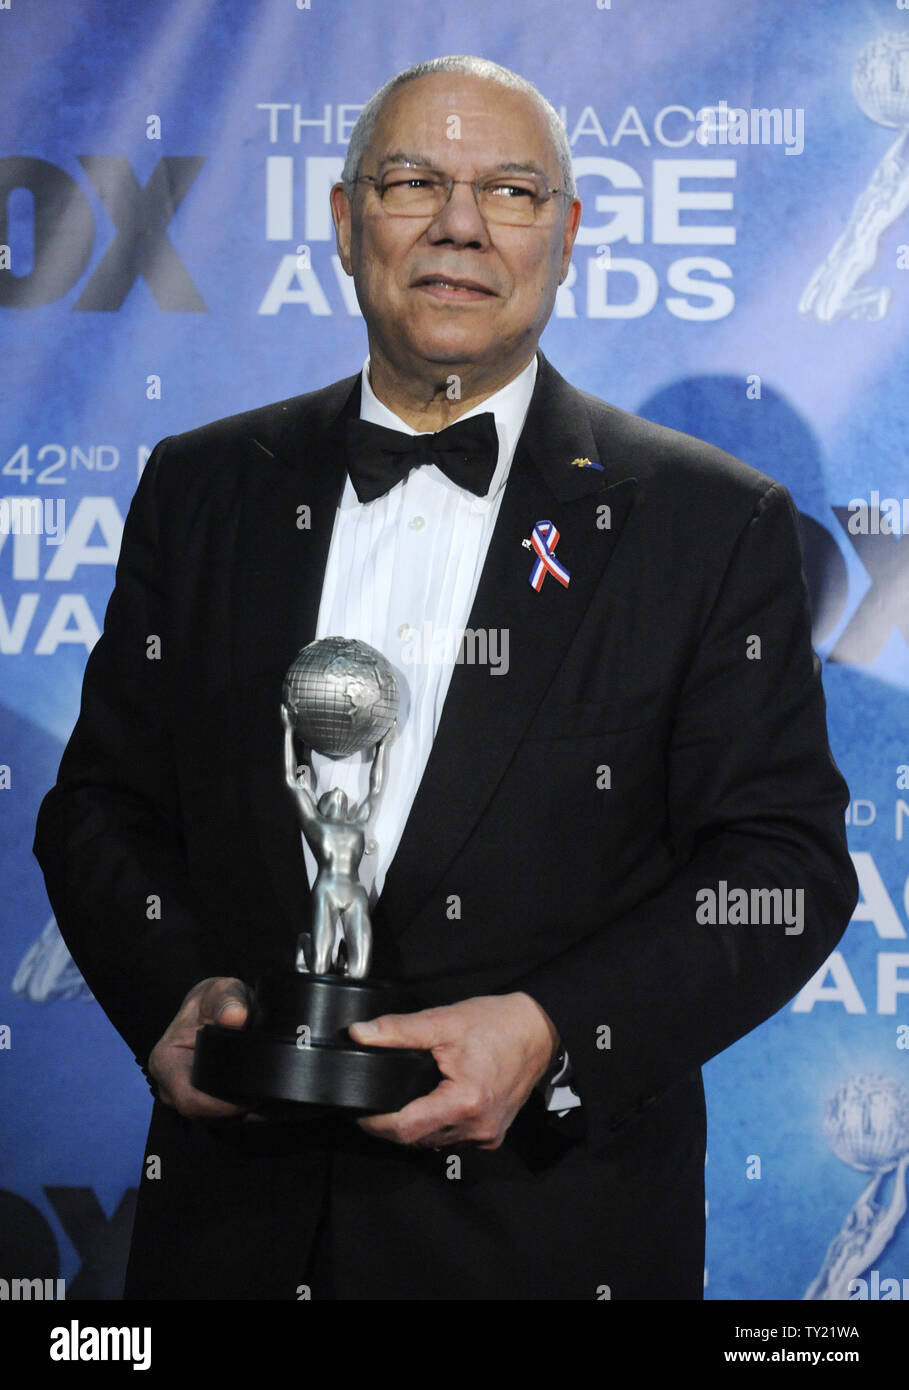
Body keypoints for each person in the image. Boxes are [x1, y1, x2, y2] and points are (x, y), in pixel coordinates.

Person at [34, 55, 857, 1301]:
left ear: (567, 236)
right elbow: (100, 808)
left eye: (512, 190)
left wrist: (551, 1029)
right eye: (415, 180)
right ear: (344, 218)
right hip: (230, 1239)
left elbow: (784, 870)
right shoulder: (205, 487)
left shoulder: (709, 523)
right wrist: (172, 993)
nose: (461, 224)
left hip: (549, 1239)